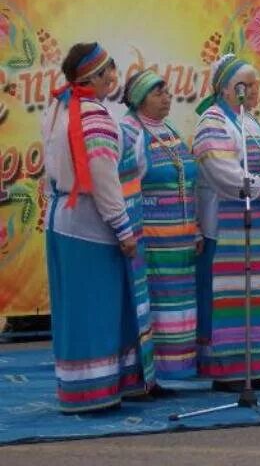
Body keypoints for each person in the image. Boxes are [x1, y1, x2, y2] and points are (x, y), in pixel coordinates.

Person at [42, 43, 154, 413]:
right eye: (109, 71)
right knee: (96, 306)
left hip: (62, 218)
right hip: (91, 225)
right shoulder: (94, 116)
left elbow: (52, 169)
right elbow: (104, 181)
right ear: (95, 76)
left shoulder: (58, 108)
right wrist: (123, 230)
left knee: (73, 307)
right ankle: (94, 392)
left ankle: (78, 389)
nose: (114, 77)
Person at [193, 54, 260, 392]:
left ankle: (254, 366)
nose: (256, 90)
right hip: (226, 227)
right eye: (248, 84)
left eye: (257, 83)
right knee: (228, 297)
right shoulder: (212, 122)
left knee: (256, 294)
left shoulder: (253, 124)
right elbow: (224, 172)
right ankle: (227, 369)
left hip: (257, 225)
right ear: (230, 88)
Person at [119, 69, 202, 383]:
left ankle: (171, 371)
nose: (167, 98)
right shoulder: (130, 132)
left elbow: (187, 183)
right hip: (151, 240)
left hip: (179, 242)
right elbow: (124, 188)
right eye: (158, 93)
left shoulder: (168, 129)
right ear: (139, 99)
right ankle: (147, 375)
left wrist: (193, 228)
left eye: (167, 92)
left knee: (175, 306)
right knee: (152, 307)